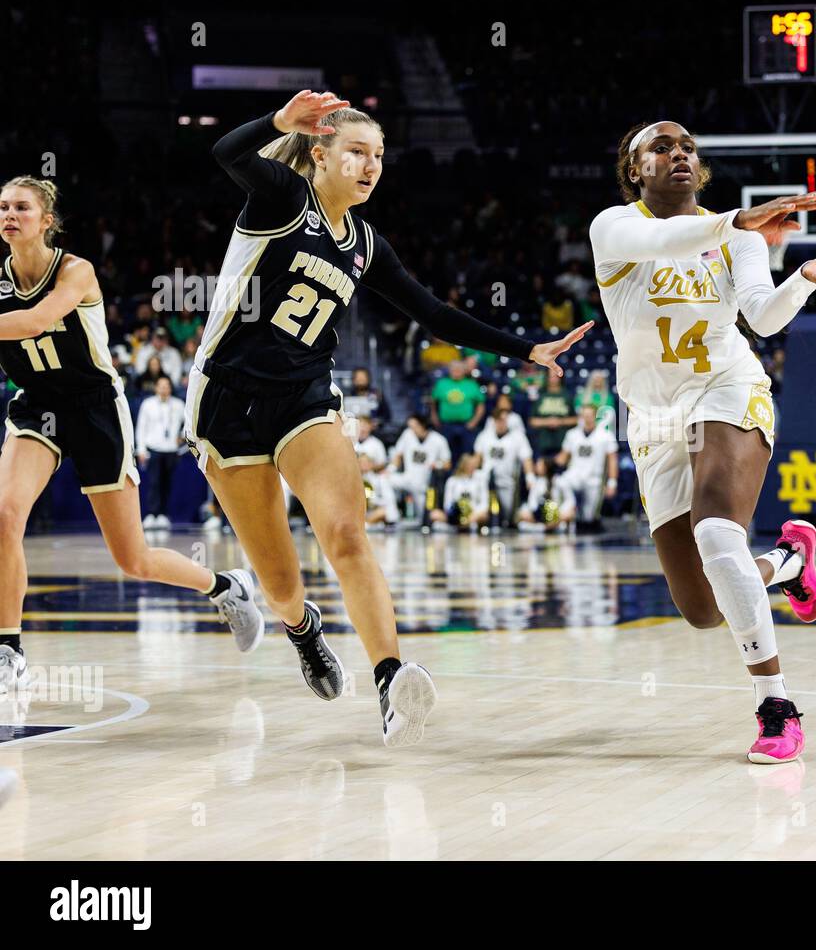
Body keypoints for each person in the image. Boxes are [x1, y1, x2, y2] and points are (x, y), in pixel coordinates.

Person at [186, 91, 588, 746]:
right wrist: (279, 122)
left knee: (347, 533)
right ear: (320, 155)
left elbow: (434, 315)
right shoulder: (283, 199)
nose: (371, 166)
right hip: (225, 401)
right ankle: (301, 628)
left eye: (378, 156)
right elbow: (225, 152)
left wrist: (527, 348)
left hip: (304, 399)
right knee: (282, 584)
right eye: (357, 153)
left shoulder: (366, 244)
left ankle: (389, 679)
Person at [591, 119, 816, 763]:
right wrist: (741, 221)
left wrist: (805, 275)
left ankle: (777, 706)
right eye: (661, 148)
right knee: (701, 607)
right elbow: (665, 236)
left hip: (728, 386)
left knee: (717, 531)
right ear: (634, 170)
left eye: (689, 147)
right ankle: (788, 563)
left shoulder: (739, 238)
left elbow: (762, 315)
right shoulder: (614, 227)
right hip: (652, 418)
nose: (679, 155)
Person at [0, 175, 264, 695]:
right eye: (3, 207)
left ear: (46, 221)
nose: (10, 215)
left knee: (133, 558)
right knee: (5, 516)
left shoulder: (76, 271)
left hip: (96, 410)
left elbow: (34, 321)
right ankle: (8, 650)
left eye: (22, 208)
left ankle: (225, 586)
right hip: (37, 409)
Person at [134, 374, 187, 528]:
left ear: (170, 388)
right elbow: (141, 428)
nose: (164, 389)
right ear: (156, 387)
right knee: (154, 482)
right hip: (154, 449)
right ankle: (152, 514)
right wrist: (141, 449)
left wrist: (182, 436)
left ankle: (163, 514)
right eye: (161, 386)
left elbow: (188, 422)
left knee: (167, 483)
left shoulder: (178, 404)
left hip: (171, 449)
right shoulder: (148, 404)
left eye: (167, 386)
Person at [556, 404, 619, 528]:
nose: (587, 419)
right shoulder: (572, 434)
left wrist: (612, 483)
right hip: (575, 476)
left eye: (590, 416)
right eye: (584, 416)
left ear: (596, 417)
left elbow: (613, 460)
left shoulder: (606, 436)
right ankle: (570, 505)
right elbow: (562, 459)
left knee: (587, 519)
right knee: (560, 482)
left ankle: (575, 517)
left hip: (594, 479)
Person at [473, 406, 534, 526]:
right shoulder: (484, 436)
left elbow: (526, 458)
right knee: (488, 512)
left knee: (508, 516)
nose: (501, 423)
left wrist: (529, 476)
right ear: (494, 421)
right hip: (487, 481)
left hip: (508, 482)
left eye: (504, 420)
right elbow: (477, 458)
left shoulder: (518, 437)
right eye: (498, 420)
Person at [388, 414, 451, 524]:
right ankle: (392, 513)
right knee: (384, 479)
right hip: (407, 479)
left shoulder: (438, 440)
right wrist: (390, 469)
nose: (412, 429)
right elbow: (398, 455)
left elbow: (447, 464)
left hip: (424, 487)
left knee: (426, 520)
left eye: (415, 426)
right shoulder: (407, 434)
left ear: (423, 425)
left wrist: (437, 465)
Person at [430, 358, 485, 460]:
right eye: (453, 369)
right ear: (449, 370)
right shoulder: (442, 383)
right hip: (446, 425)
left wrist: (474, 422)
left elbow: (481, 405)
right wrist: (434, 416)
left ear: (464, 371)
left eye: (458, 370)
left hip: (466, 425)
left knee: (466, 454)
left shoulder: (471, 384)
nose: (455, 372)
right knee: (445, 455)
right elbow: (433, 402)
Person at [353, 416, 398, 527]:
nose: (362, 428)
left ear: (370, 427)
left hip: (372, 485)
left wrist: (370, 468)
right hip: (354, 479)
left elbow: (382, 464)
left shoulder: (376, 444)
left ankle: (366, 523)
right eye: (360, 425)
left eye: (365, 425)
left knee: (386, 510)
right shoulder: (349, 442)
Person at [517, 456, 577, 533]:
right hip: (540, 515)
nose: (536, 466)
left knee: (570, 514)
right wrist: (538, 514)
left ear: (546, 467)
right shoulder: (537, 483)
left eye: (539, 465)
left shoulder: (561, 481)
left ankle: (547, 527)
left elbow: (570, 500)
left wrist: (560, 513)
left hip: (557, 514)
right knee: (522, 517)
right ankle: (545, 528)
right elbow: (532, 503)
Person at [433, 454, 489, 531]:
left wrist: (473, 513)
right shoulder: (452, 481)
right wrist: (456, 511)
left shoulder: (480, 480)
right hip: (455, 515)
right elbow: (447, 503)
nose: (472, 467)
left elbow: (484, 503)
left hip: (473, 514)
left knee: (483, 515)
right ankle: (459, 526)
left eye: (473, 465)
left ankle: (466, 525)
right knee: (435, 514)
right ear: (463, 465)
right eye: (469, 465)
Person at [529, 372, 577, 457]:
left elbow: (575, 419)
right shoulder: (541, 396)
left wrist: (560, 421)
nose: (553, 380)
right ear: (547, 378)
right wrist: (548, 422)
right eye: (551, 377)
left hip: (563, 443)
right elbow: (532, 421)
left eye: (555, 377)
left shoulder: (567, 395)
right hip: (543, 442)